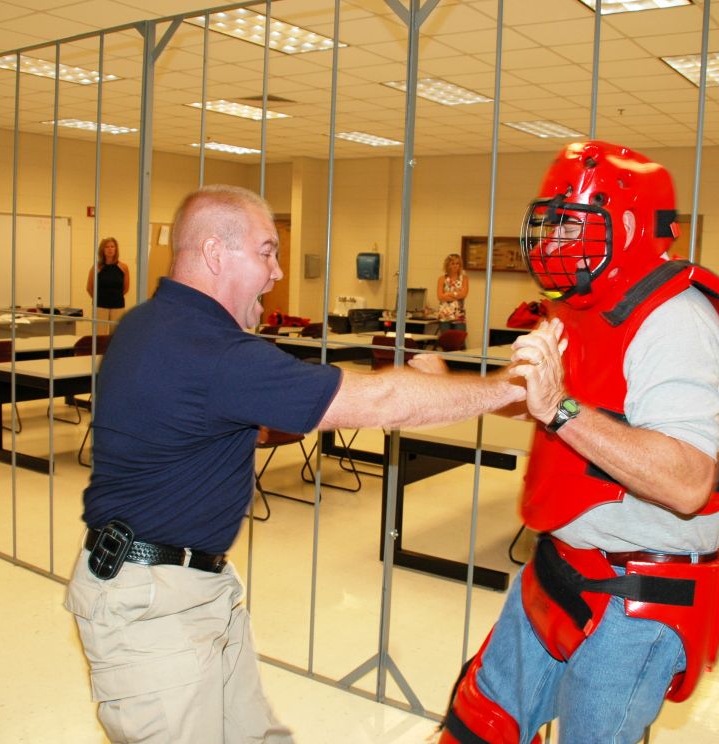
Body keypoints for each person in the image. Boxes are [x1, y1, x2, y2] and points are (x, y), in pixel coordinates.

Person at [64, 184, 529, 744]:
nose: (279, 272)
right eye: (266, 252)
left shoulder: (148, 322)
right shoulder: (213, 353)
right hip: (153, 608)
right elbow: (378, 404)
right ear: (214, 253)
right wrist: (507, 386)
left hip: (190, 584)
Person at [438, 141, 719, 744]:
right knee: (477, 727)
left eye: (573, 225)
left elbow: (688, 482)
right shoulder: (586, 306)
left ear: (632, 226)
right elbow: (564, 403)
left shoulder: (675, 322)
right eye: (550, 224)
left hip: (635, 597)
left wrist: (560, 409)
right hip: (560, 567)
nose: (555, 243)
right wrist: (456, 391)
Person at [86, 236, 130, 323]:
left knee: (116, 334)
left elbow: (126, 288)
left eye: (112, 246)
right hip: (100, 306)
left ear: (116, 249)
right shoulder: (96, 267)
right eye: (107, 247)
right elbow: (89, 287)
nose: (110, 249)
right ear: (102, 250)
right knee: (100, 334)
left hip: (118, 306)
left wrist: (114, 298)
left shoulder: (123, 267)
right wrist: (99, 299)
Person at [436, 252, 469, 332]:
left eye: (457, 263)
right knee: (446, 340)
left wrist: (448, 294)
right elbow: (440, 296)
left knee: (459, 340)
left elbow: (463, 295)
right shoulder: (442, 279)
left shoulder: (464, 279)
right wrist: (456, 294)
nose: (455, 266)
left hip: (459, 315)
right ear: (448, 265)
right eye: (453, 263)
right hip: (445, 315)